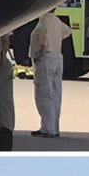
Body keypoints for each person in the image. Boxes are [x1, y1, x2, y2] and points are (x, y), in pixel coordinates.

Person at [28, 8, 69, 138]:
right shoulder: (57, 20)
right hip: (57, 57)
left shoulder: (44, 20)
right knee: (56, 93)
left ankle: (48, 128)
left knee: (44, 93)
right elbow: (67, 31)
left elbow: (43, 37)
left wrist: (41, 50)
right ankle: (54, 127)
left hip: (45, 58)